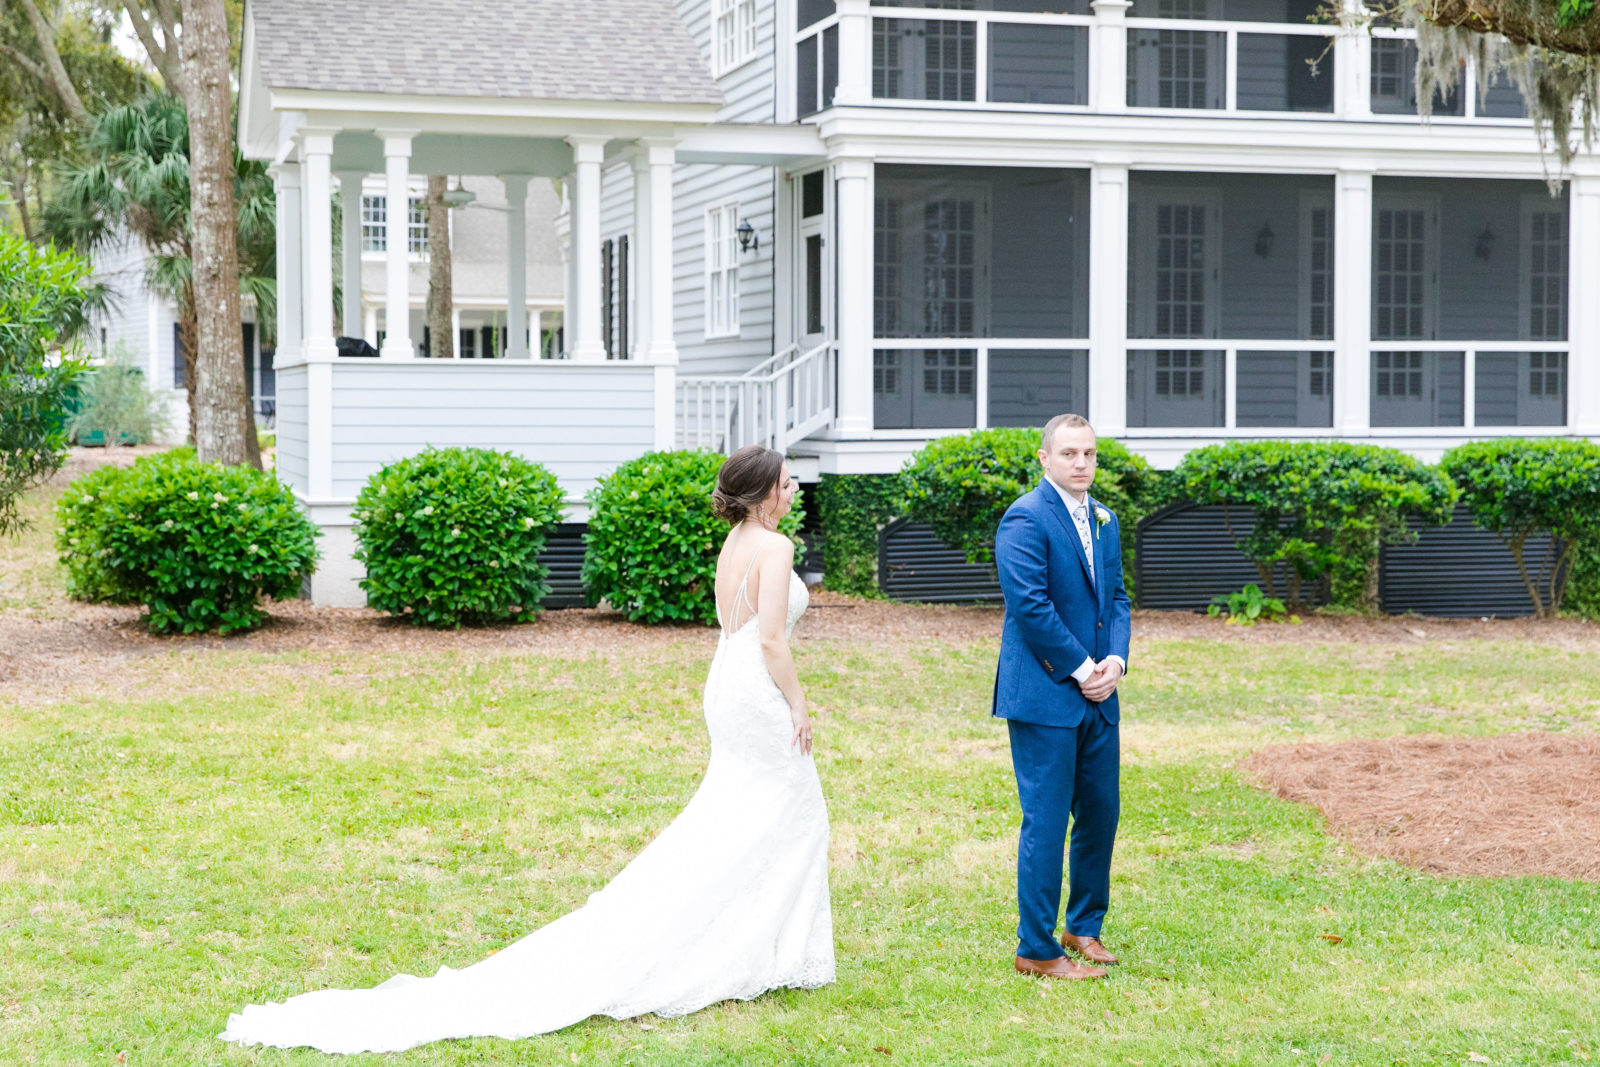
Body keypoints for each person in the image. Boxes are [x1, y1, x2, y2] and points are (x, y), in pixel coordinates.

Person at [221, 446, 833, 1053]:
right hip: (756, 689)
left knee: (737, 813)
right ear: (762, 493)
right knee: (785, 805)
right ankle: (756, 944)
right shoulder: (775, 548)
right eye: (786, 481)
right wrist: (799, 705)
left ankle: (757, 935)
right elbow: (773, 641)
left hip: (727, 684)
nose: (795, 489)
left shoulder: (735, 544)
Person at [991, 413, 1131, 981]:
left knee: (1100, 813)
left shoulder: (1105, 519)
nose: (1081, 463)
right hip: (1047, 694)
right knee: (1046, 822)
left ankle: (1083, 926)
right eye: (1069, 453)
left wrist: (1115, 663)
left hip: (1102, 692)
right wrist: (1081, 669)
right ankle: (1036, 947)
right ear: (1045, 459)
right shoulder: (1025, 517)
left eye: (1090, 454)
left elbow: (1117, 598)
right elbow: (1030, 606)